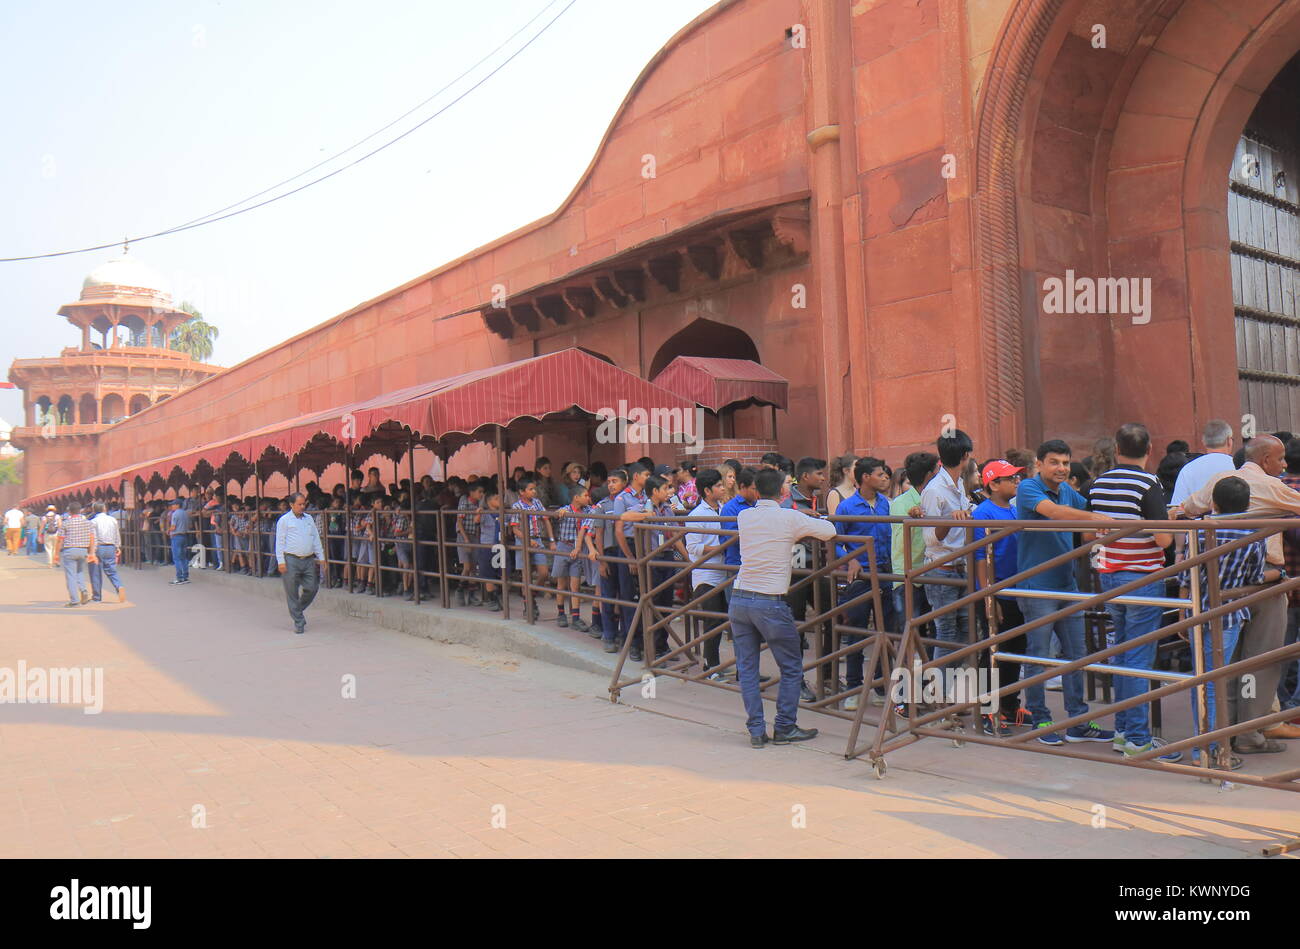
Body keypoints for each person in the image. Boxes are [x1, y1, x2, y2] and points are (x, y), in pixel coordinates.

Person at [1179, 433, 1300, 749]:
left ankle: (1224, 731)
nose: (1284, 464)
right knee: (1259, 662)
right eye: (1280, 458)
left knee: (1226, 661)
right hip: (1265, 583)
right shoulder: (1274, 487)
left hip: (1219, 587)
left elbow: (1187, 509)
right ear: (1265, 460)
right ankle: (1248, 732)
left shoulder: (1220, 479)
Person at [1085, 423, 1179, 760]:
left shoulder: (1098, 483)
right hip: (1142, 578)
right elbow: (1163, 540)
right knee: (1138, 658)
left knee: (1124, 654)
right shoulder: (1148, 483)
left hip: (1109, 576)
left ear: (1116, 447)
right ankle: (1138, 739)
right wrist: (1169, 519)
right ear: (1149, 449)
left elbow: (1090, 533)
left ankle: (1124, 732)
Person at [1015, 439, 1114, 745]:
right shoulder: (1028, 488)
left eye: (1066, 463)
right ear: (1039, 464)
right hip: (1037, 586)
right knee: (1039, 656)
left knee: (1076, 654)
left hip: (1066, 583)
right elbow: (1056, 513)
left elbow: (1081, 525)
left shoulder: (1068, 491)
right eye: (1054, 462)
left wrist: (1103, 530)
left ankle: (1078, 720)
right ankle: (1040, 718)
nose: (1061, 468)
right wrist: (1099, 520)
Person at [730, 468, 838, 747]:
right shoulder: (789, 517)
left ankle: (756, 730)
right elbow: (829, 531)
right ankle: (785, 726)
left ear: (755, 490)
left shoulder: (744, 515)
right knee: (791, 667)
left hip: (741, 598)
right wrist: (806, 522)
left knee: (748, 668)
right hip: (770, 602)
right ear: (783, 492)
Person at [1181, 476, 1279, 772]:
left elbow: (1186, 575)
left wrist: (1182, 613)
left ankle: (1205, 744)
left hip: (1198, 612)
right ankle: (1208, 749)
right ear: (1247, 504)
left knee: (1201, 680)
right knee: (1216, 683)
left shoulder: (1198, 530)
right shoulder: (1253, 534)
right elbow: (1254, 578)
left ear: (1214, 502)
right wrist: (1279, 576)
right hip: (1229, 616)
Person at [971, 459, 1028, 735]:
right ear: (993, 484)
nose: (1016, 482)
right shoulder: (984, 513)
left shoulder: (1015, 511)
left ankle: (1008, 704)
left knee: (1016, 648)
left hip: (1016, 590)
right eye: (1010, 478)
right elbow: (981, 557)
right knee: (993, 652)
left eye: (1017, 478)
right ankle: (986, 710)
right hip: (998, 591)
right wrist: (988, 597)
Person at [835, 457, 894, 710]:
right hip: (859, 579)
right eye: (880, 475)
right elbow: (835, 540)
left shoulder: (885, 504)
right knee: (856, 634)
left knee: (887, 631)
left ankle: (881, 687)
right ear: (865, 478)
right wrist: (850, 560)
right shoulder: (847, 507)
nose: (884, 478)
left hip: (885, 574)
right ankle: (854, 689)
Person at [920, 429, 976, 659]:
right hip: (942, 569)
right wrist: (950, 519)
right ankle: (939, 690)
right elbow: (930, 538)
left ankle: (947, 685)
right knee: (947, 632)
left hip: (960, 566)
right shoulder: (934, 490)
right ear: (965, 455)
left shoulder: (959, 483)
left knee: (964, 631)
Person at [685, 469, 731, 679]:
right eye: (719, 486)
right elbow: (693, 547)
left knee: (723, 621)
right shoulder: (696, 515)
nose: (723, 488)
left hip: (724, 573)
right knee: (713, 622)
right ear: (707, 490)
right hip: (707, 576)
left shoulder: (724, 509)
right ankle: (710, 665)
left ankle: (715, 663)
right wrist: (720, 548)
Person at [891, 452, 939, 623]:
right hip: (907, 576)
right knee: (909, 629)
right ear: (929, 475)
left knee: (935, 630)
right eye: (937, 471)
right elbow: (901, 544)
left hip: (931, 572)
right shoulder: (900, 503)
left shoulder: (937, 497)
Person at [611, 464, 651, 650]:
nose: (648, 477)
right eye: (646, 474)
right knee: (629, 596)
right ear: (636, 476)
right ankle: (632, 643)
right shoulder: (622, 497)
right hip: (629, 546)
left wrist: (633, 516)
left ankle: (647, 640)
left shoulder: (647, 495)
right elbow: (619, 529)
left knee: (646, 594)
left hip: (645, 545)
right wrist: (628, 557)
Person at [275, 492, 325, 634]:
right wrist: (281, 561)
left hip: (308, 559)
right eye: (299, 504)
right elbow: (280, 541)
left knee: (312, 587)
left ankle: (296, 609)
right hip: (291, 559)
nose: (302, 507)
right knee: (292, 591)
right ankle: (299, 621)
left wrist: (321, 557)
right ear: (291, 505)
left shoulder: (309, 519)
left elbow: (315, 538)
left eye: (304, 504)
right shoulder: (284, 520)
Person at [509, 476, 557, 622]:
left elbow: (546, 520)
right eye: (530, 489)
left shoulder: (537, 503)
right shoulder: (516, 507)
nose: (534, 492)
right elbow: (515, 530)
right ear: (522, 492)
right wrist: (528, 540)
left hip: (538, 540)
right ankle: (528, 606)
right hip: (523, 542)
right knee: (526, 576)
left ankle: (532, 596)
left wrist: (551, 540)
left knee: (543, 573)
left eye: (534, 489)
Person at [553, 484, 594, 631]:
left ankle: (576, 617)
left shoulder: (589, 510)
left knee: (575, 585)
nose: (588, 498)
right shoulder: (566, 510)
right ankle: (561, 613)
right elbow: (556, 514)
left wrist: (578, 547)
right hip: (564, 546)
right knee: (561, 583)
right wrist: (559, 512)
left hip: (579, 548)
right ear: (576, 498)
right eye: (585, 495)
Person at [1170, 419, 1235, 506]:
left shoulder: (1188, 469)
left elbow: (1177, 508)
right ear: (1229, 441)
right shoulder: (1240, 466)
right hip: (1235, 519)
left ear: (1203, 442)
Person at [54, 502, 94, 606]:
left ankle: (74, 600)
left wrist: (56, 554)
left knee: (71, 575)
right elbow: (92, 538)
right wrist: (91, 552)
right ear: (81, 510)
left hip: (69, 550)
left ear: (69, 512)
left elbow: (60, 540)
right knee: (80, 572)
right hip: (83, 550)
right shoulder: (88, 523)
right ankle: (83, 590)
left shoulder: (66, 523)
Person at [88, 501, 126, 603]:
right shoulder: (112, 520)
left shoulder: (93, 522)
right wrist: (118, 546)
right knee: (111, 570)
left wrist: (92, 551)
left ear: (94, 510)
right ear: (104, 509)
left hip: (99, 547)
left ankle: (97, 597)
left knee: (95, 572)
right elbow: (117, 534)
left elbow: (93, 537)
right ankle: (119, 586)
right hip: (111, 547)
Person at [455, 482, 486, 606]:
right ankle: (460, 590)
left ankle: (472, 595)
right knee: (466, 567)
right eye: (479, 492)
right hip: (464, 536)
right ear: (472, 492)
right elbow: (459, 521)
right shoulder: (465, 502)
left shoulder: (478, 505)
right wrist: (466, 539)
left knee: (473, 568)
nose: (481, 494)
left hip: (474, 536)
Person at [166, 499, 191, 584]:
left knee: (177, 558)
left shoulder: (175, 514)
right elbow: (189, 525)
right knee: (183, 557)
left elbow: (173, 527)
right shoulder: (185, 513)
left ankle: (179, 578)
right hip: (184, 535)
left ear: (177, 505)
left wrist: (168, 530)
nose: (172, 506)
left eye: (173, 504)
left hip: (176, 536)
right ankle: (185, 577)